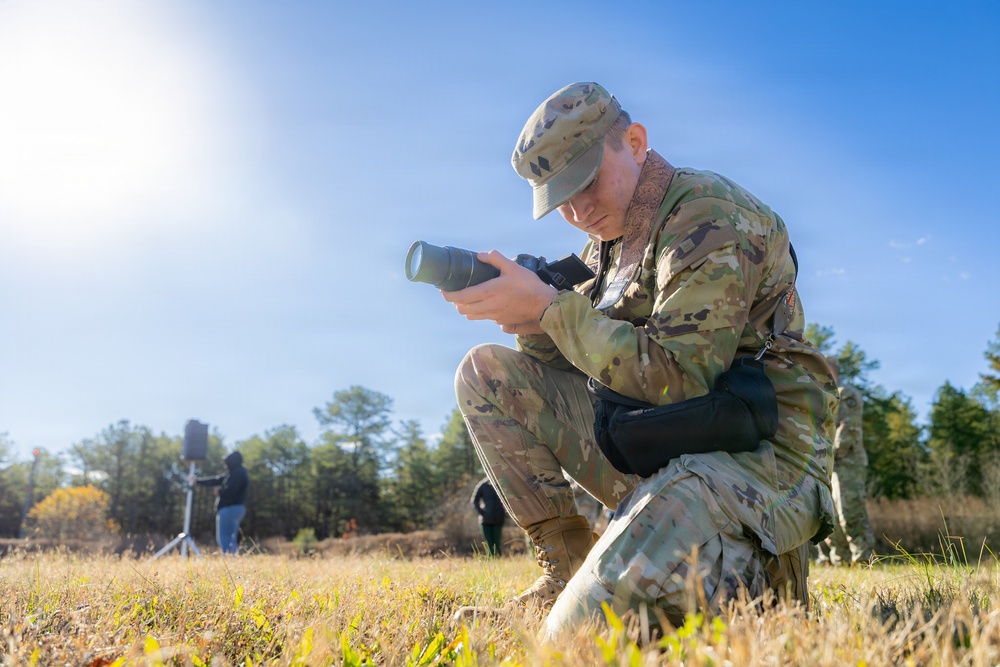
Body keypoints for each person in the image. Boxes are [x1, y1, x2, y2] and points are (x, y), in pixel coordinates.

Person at [444, 82, 838, 639]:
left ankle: (762, 580)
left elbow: (682, 377)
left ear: (633, 142)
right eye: (561, 201)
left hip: (758, 464)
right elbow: (575, 367)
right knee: (486, 373)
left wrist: (553, 309)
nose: (579, 210)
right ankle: (567, 571)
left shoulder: (707, 214)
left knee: (572, 640)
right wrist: (530, 321)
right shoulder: (602, 249)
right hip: (665, 451)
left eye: (586, 183)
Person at [821, 357, 876, 564]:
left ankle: (864, 558)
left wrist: (830, 454)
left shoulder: (846, 394)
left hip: (847, 463)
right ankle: (839, 559)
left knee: (849, 510)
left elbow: (849, 429)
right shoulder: (825, 396)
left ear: (831, 370)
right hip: (829, 464)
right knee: (829, 514)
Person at [191, 451, 249, 555]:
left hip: (229, 509)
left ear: (232, 461)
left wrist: (219, 492)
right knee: (231, 537)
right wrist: (198, 481)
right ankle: (233, 559)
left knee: (225, 538)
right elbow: (216, 480)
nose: (226, 464)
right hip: (237, 508)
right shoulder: (236, 472)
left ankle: (229, 562)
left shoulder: (237, 473)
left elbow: (231, 491)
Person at [471, 477, 507, 557]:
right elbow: (474, 501)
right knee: (489, 542)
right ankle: (491, 559)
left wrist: (504, 511)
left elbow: (508, 498)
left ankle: (499, 558)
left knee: (497, 541)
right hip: (485, 520)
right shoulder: (483, 485)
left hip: (499, 518)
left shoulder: (500, 484)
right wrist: (482, 513)